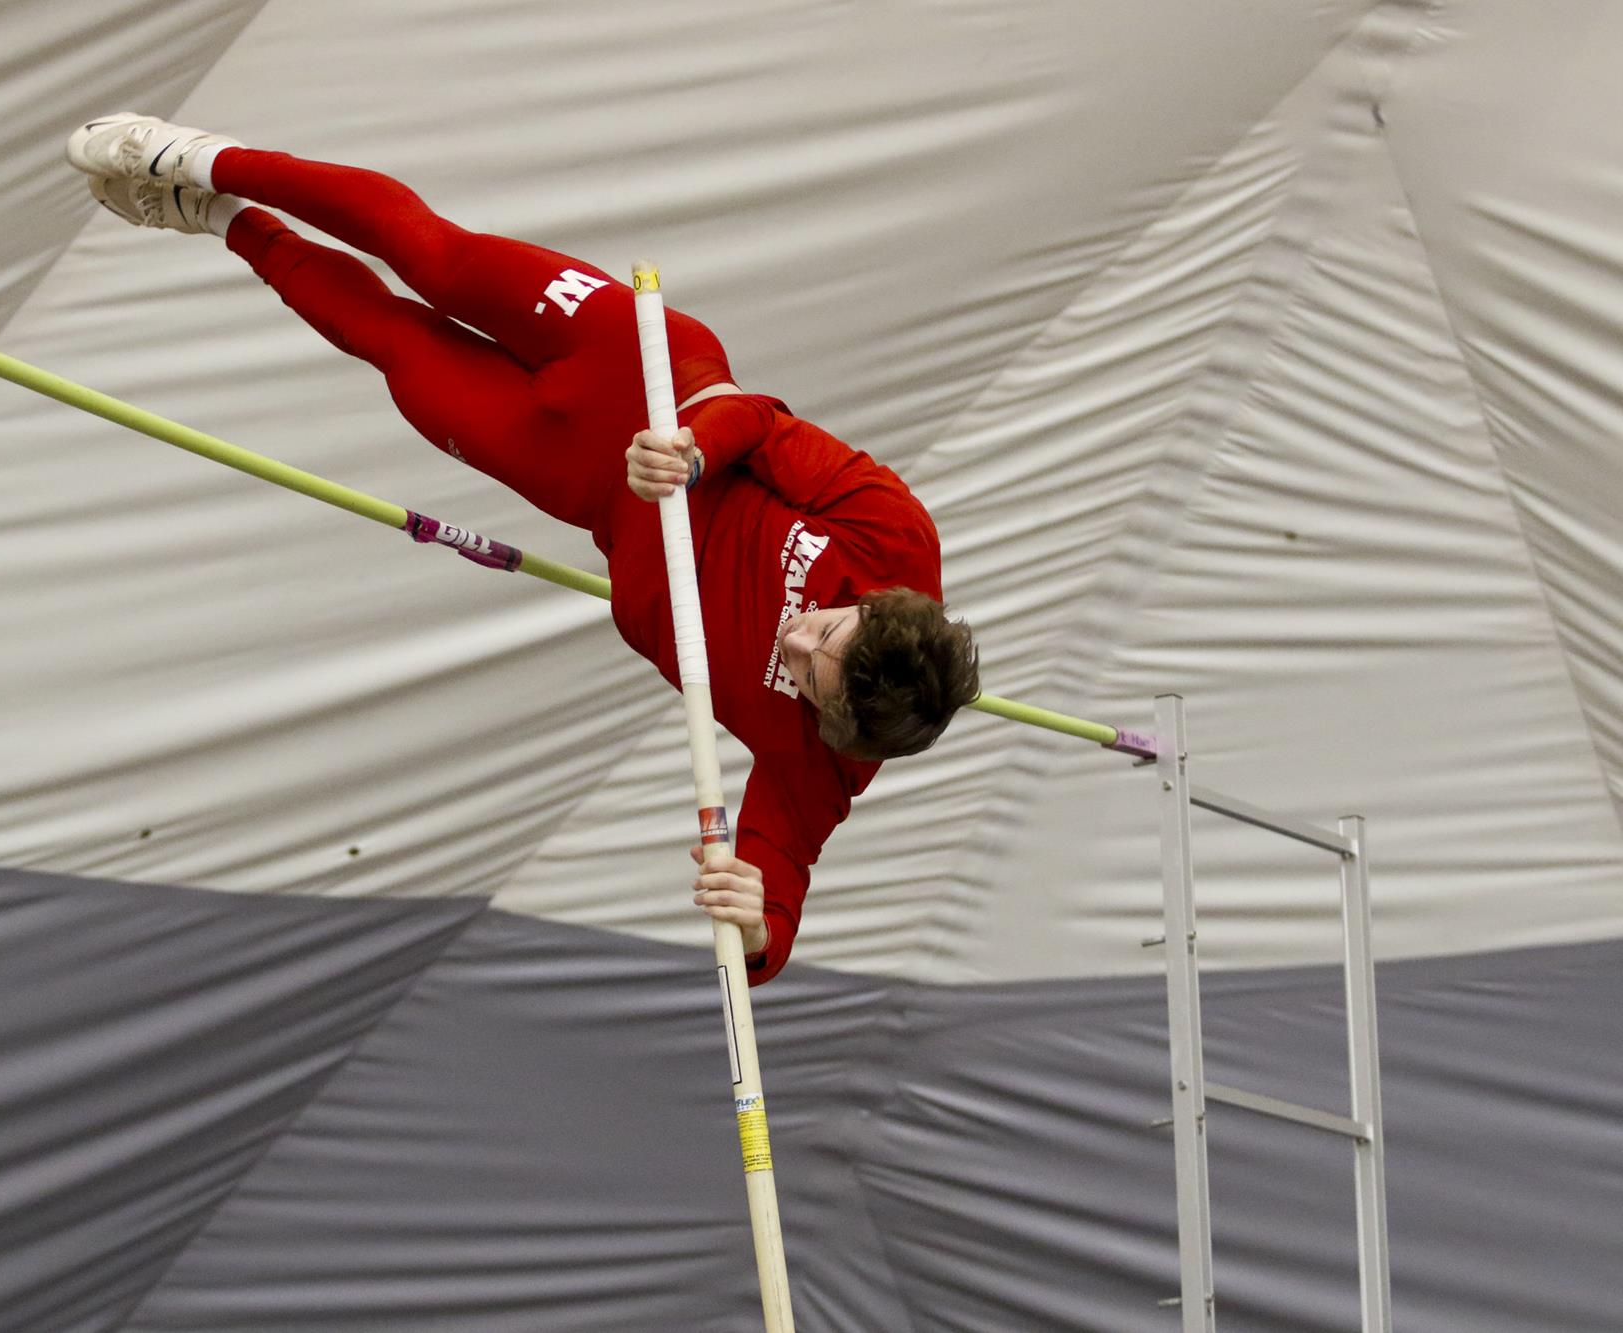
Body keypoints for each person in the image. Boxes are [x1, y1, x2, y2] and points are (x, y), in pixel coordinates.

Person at [67, 114, 979, 984]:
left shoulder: (826, 755)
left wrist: (756, 929)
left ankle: (228, 221)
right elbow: (765, 423)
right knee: (429, 254)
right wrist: (695, 447)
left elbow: (778, 876)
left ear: (832, 724)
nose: (796, 645)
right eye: (824, 630)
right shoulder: (896, 534)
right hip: (645, 373)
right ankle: (205, 159)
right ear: (876, 603)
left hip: (573, 476)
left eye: (807, 674)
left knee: (393, 343)